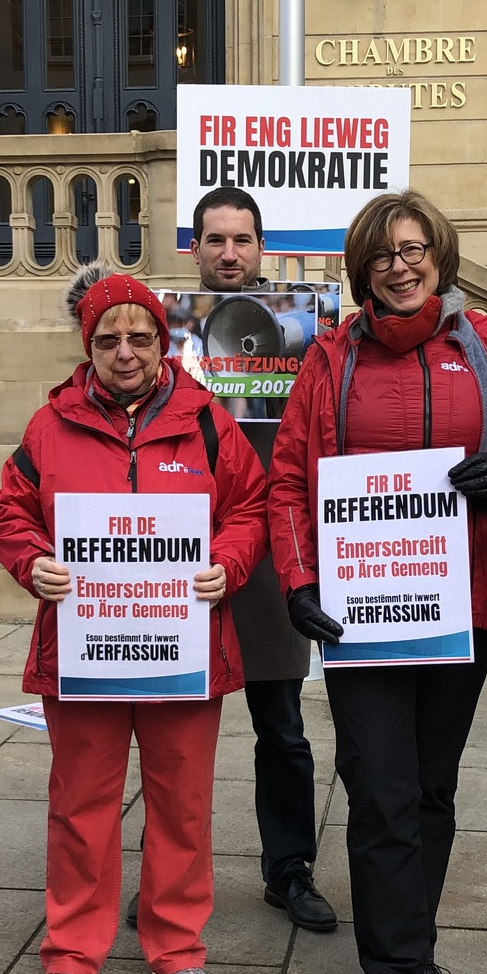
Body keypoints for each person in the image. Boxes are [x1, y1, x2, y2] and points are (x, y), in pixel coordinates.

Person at [268, 189, 487, 974]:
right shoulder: (328, 360)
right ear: (363, 268)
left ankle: (417, 958)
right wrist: (298, 579)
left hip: (463, 609)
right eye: (383, 253)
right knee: (381, 791)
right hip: (365, 614)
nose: (401, 264)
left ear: (440, 255)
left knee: (431, 789)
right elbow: (288, 480)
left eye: (415, 248)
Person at [0, 268, 269, 974]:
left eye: (139, 337)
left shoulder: (210, 420)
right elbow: (10, 511)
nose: (124, 352)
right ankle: (72, 951)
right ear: (89, 344)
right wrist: (31, 561)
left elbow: (251, 508)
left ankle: (176, 947)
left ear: (161, 341)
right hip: (84, 654)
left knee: (183, 805)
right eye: (108, 339)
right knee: (81, 804)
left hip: (185, 649)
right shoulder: (50, 426)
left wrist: (228, 563)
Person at [186, 187, 336, 934]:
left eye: (242, 240)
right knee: (175, 728)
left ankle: (290, 870)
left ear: (262, 248)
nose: (230, 253)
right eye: (216, 240)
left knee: (281, 726)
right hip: (178, 554)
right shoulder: (159, 336)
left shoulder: (302, 335)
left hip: (271, 549)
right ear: (195, 249)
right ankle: (169, 872)